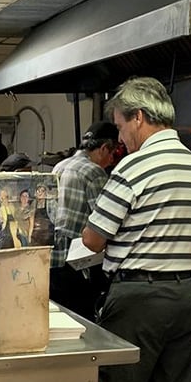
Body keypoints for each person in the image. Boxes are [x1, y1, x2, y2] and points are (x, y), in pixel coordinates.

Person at [81, 77, 191, 382]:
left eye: (120, 126)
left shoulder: (133, 167)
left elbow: (95, 239)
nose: (119, 137)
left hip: (138, 293)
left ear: (139, 118)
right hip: (184, 293)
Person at [50, 121, 119, 318]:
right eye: (112, 154)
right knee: (82, 325)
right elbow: (104, 219)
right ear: (104, 148)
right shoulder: (93, 172)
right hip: (76, 264)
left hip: (52, 259)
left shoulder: (59, 166)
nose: (111, 161)